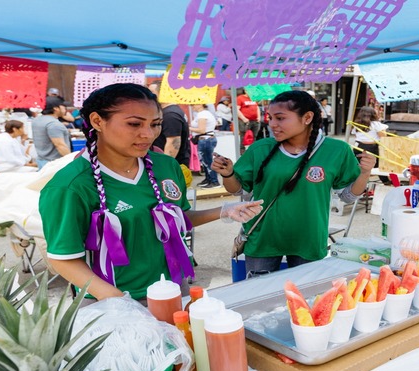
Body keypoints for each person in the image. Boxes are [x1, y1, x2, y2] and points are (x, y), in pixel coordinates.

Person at [39, 83, 262, 303]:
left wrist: (224, 211)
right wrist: (117, 301)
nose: (148, 134)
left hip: (172, 288)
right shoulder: (70, 186)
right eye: (134, 124)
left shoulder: (166, 166)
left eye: (155, 124)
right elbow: (64, 258)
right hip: (111, 300)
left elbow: (177, 219)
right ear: (97, 121)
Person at [212, 90, 375, 275]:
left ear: (307, 118)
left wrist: (364, 173)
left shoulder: (337, 150)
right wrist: (228, 174)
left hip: (309, 241)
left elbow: (347, 196)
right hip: (262, 240)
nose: (272, 124)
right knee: (260, 300)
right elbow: (239, 190)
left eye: (280, 118)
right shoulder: (260, 148)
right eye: (270, 117)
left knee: (305, 301)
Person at [148, 83, 192, 167]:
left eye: (151, 92)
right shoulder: (171, 111)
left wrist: (164, 166)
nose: (149, 96)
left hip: (172, 165)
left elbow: (173, 142)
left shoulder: (170, 115)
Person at [32, 96, 71, 169]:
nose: (65, 109)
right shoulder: (53, 124)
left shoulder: (36, 120)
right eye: (63, 106)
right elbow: (60, 145)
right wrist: (71, 162)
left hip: (42, 161)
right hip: (55, 164)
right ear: (56, 108)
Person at [189, 104, 219, 188]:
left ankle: (214, 181)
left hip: (205, 139)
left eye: (193, 105)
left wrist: (189, 128)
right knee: (205, 161)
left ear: (200, 105)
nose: (192, 106)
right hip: (205, 139)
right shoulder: (203, 114)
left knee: (208, 161)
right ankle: (209, 179)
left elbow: (202, 130)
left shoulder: (203, 115)